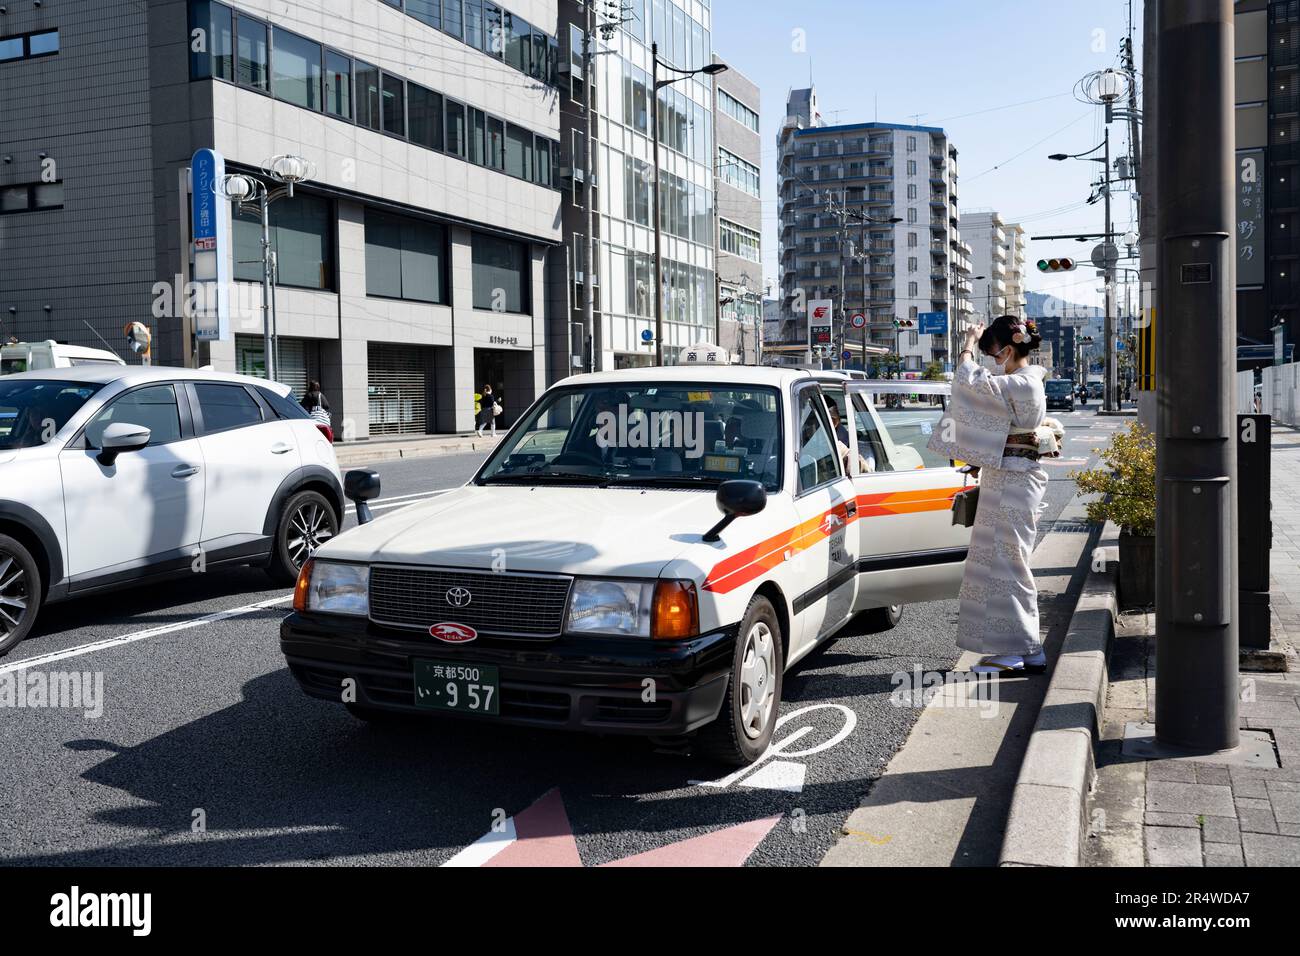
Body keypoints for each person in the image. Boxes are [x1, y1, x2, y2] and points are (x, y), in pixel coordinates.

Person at [927, 316, 1060, 674]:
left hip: (1014, 481)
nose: (991, 360)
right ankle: (1027, 649)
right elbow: (996, 422)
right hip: (1011, 476)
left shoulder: (1021, 383)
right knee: (1005, 561)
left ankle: (1014, 651)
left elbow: (967, 380)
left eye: (993, 352)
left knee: (1007, 563)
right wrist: (980, 458)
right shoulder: (1024, 382)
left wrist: (968, 342)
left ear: (1009, 349)